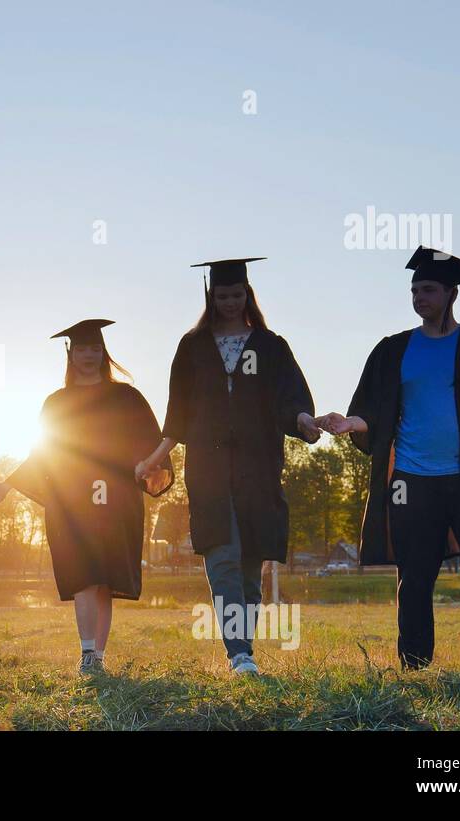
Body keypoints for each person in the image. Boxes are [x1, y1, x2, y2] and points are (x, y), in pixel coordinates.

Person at [317, 247, 460, 676]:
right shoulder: (393, 350)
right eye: (414, 290)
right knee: (415, 576)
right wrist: (351, 423)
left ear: (451, 293)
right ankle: (415, 666)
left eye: (427, 289)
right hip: (411, 480)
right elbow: (374, 412)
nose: (418, 297)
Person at [137, 258, 319, 675]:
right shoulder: (193, 346)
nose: (231, 302)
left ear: (247, 294)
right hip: (208, 463)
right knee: (222, 554)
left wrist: (305, 422)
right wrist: (154, 457)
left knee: (251, 561)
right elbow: (177, 412)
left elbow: (290, 400)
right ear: (211, 297)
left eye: (237, 294)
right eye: (222, 296)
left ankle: (244, 650)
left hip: (258, 463)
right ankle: (238, 653)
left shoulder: (271, 345)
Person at [0, 319, 172, 674]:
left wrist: (148, 465)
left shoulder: (126, 397)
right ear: (71, 354)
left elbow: (150, 439)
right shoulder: (57, 402)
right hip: (72, 503)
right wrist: (6, 485)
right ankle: (87, 655)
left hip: (117, 500)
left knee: (105, 579)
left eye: (95, 348)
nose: (89, 355)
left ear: (104, 353)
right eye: (82, 349)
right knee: (82, 573)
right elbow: (42, 453)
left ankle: (98, 657)